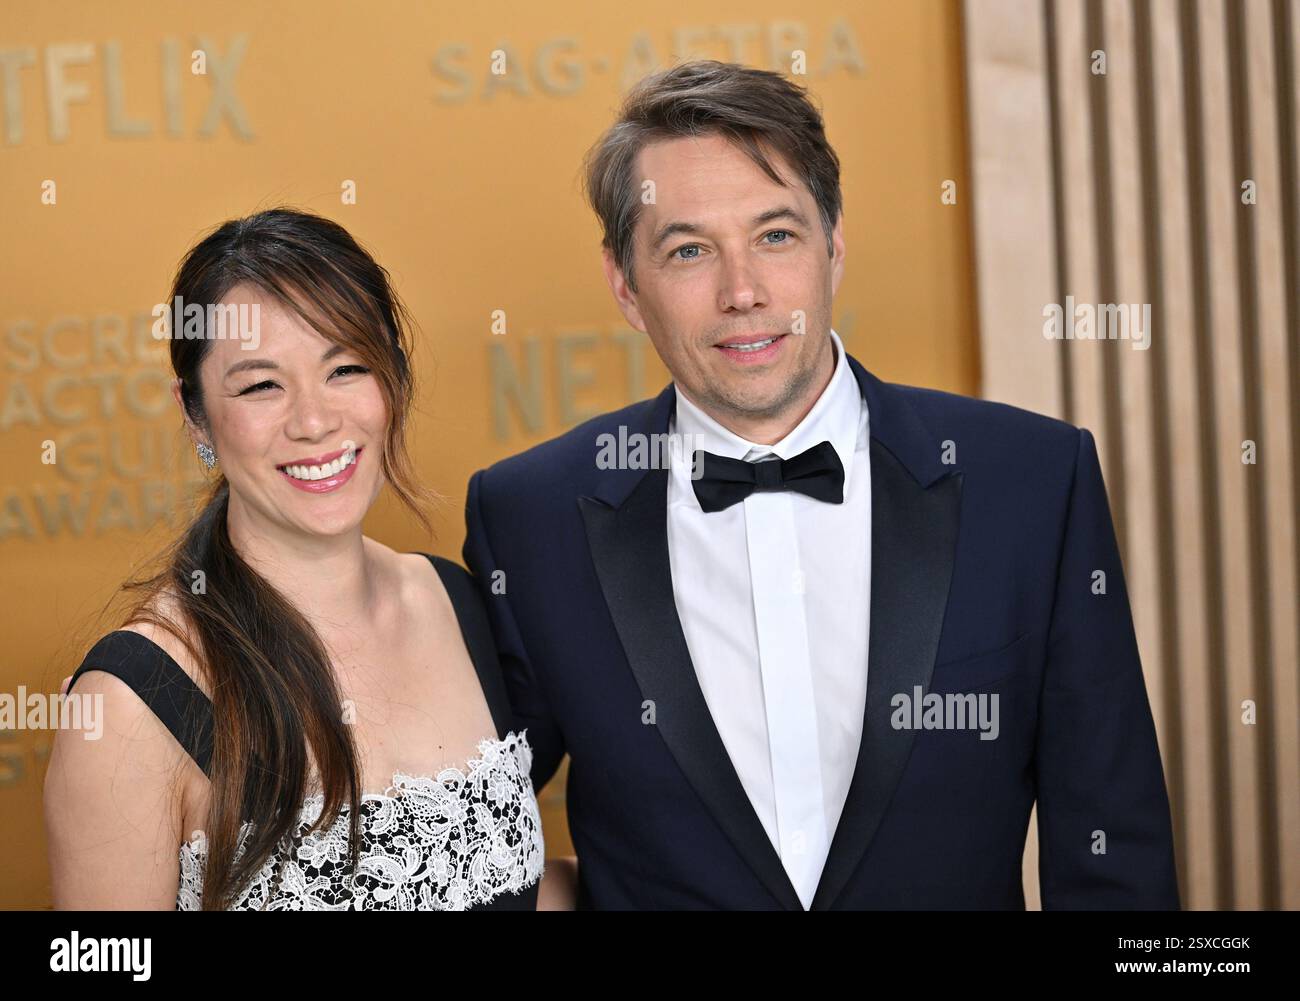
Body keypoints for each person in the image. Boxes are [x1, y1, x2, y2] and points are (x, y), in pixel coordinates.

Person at [462, 61, 1180, 909]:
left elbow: (1112, 854)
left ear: (833, 244)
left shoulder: (1032, 481)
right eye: (689, 250)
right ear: (625, 284)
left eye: (776, 235)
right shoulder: (530, 517)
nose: (744, 293)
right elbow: (474, 847)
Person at [44, 208, 574, 910]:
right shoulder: (133, 705)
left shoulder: (459, 601)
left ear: (394, 382)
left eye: (346, 368)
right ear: (195, 413)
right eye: (261, 384)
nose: (316, 420)